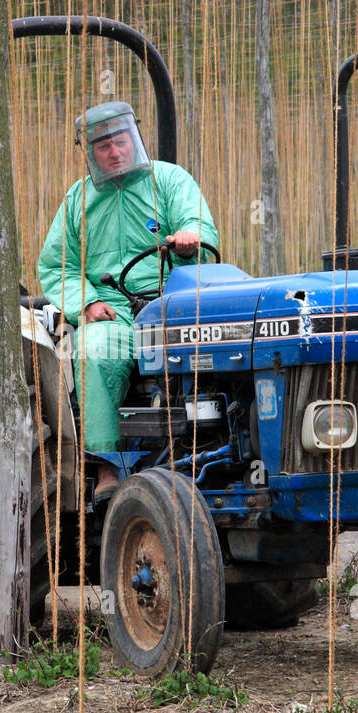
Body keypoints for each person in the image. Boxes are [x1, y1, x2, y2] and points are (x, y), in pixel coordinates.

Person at [37, 101, 219, 499]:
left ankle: (208, 452)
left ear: (134, 138)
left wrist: (189, 243)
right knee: (95, 348)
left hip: (174, 306)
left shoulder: (169, 181)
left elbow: (200, 229)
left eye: (120, 141)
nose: (114, 152)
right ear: (89, 153)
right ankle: (106, 467)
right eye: (103, 146)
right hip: (114, 312)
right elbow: (56, 267)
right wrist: (84, 303)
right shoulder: (78, 201)